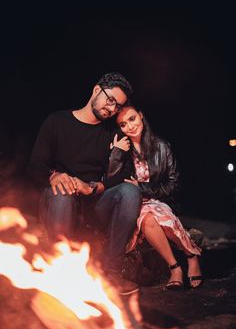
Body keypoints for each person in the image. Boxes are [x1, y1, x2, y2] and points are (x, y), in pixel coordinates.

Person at [27, 72, 142, 295]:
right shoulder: (57, 121)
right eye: (110, 100)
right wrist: (54, 175)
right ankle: (61, 276)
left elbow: (125, 174)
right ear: (96, 90)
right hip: (58, 200)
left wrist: (94, 187)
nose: (112, 109)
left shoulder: (112, 132)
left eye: (117, 107)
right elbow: (34, 166)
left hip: (94, 202)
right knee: (61, 192)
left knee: (129, 192)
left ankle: (112, 274)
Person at [107, 104, 203, 290]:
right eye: (123, 124)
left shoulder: (162, 147)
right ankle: (180, 263)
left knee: (154, 216)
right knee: (147, 217)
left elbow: (173, 184)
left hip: (160, 200)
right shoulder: (123, 149)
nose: (129, 126)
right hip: (132, 204)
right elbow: (110, 180)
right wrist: (117, 152)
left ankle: (188, 260)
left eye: (132, 119)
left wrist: (143, 189)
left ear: (141, 116)